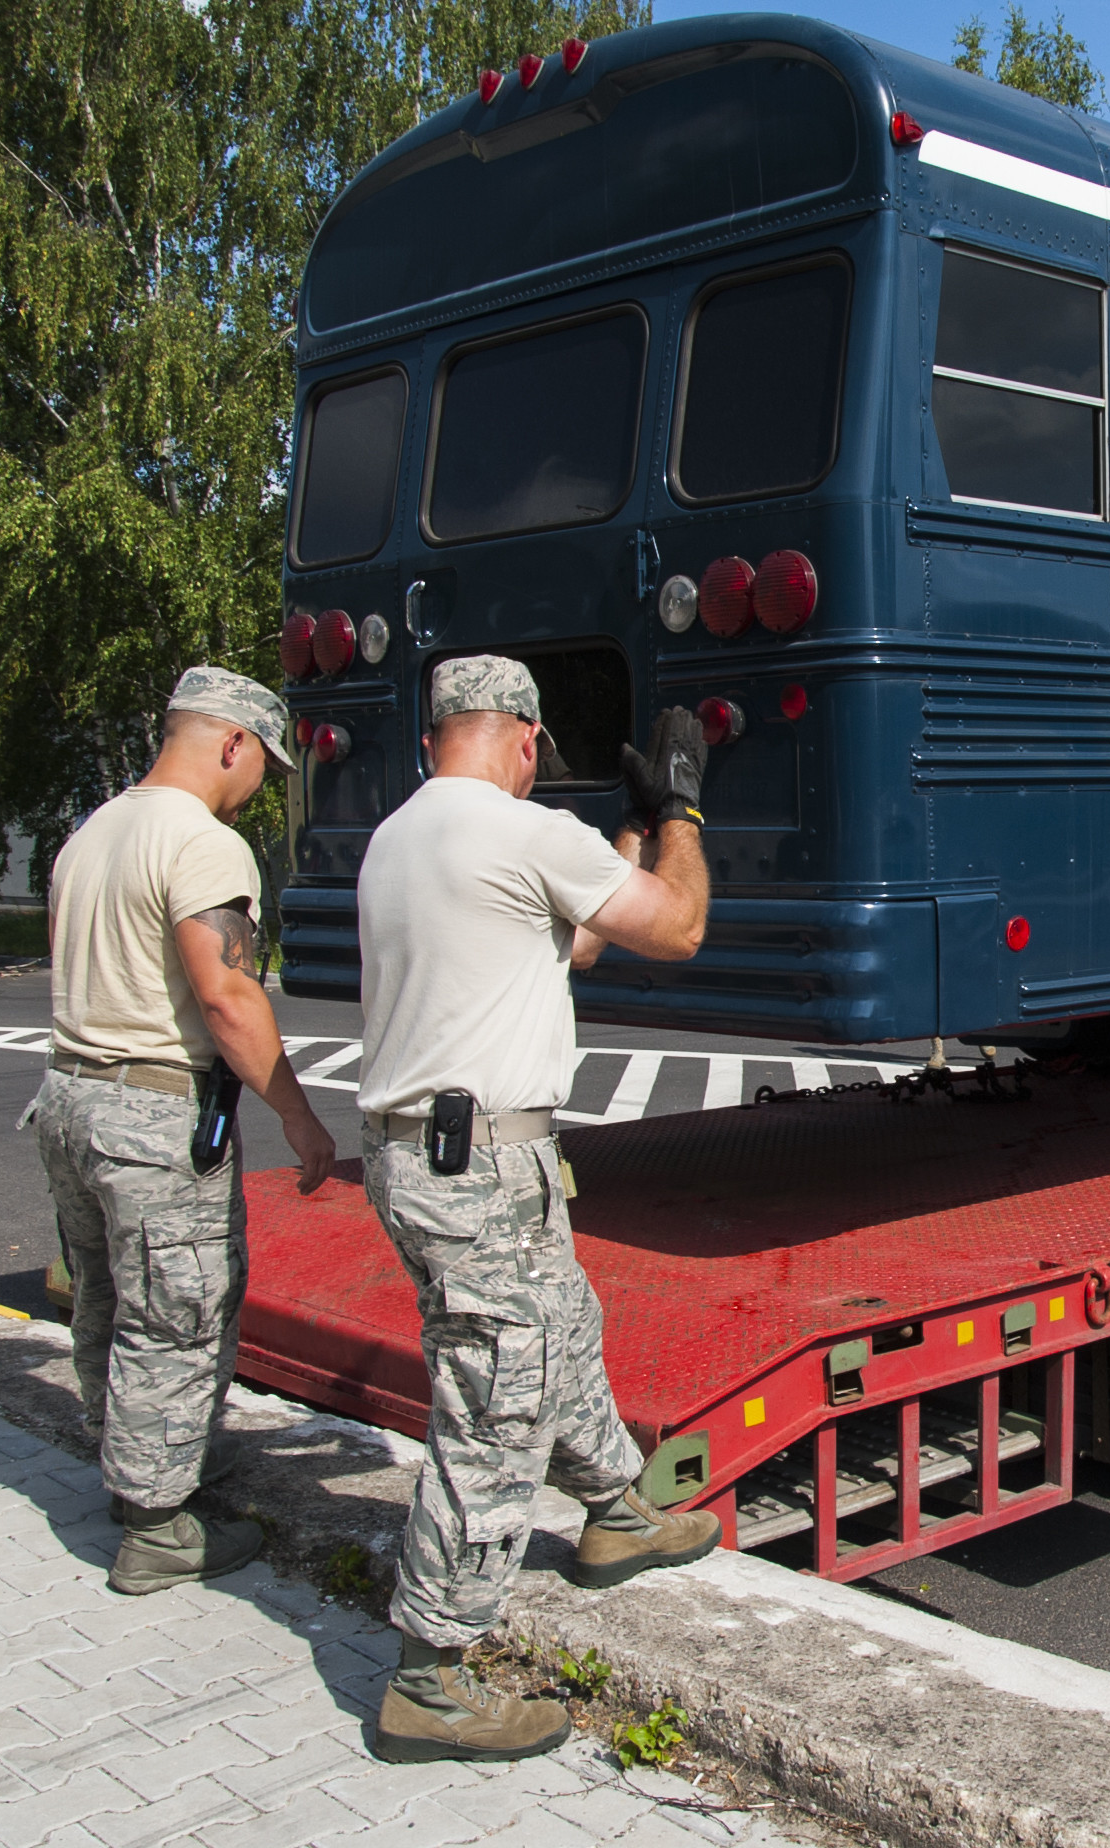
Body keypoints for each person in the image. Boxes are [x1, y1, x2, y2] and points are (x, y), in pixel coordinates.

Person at [356, 657, 719, 1765]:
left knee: (560, 1323)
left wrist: (617, 835)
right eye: (537, 756)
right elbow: (678, 928)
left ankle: (616, 1510)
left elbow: (573, 939)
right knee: (494, 1407)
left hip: (429, 1159)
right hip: (479, 1167)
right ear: (522, 735)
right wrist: (679, 814)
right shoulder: (520, 830)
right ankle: (431, 1672)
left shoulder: (404, 836)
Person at [33, 667, 338, 1596]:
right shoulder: (203, 846)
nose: (256, 788)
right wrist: (297, 1112)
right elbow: (226, 993)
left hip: (69, 1097)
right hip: (154, 1115)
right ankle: (160, 1523)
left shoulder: (91, 833)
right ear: (233, 743)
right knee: (180, 1312)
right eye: (263, 767)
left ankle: (134, 1470)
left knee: (106, 1300)